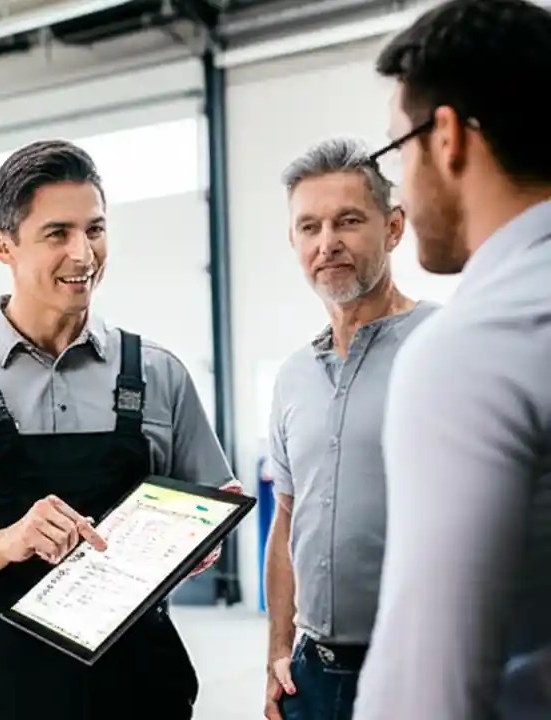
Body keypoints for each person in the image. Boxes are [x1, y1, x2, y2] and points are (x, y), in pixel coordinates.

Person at [0, 139, 239, 720]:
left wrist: (204, 531)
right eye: (57, 234)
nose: (84, 253)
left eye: (95, 229)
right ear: (1, 244)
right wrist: (10, 541)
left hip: (141, 695)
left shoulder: (159, 376)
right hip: (1, 698)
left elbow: (211, 516)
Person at [351, 0, 551, 718]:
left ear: (447, 138)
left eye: (395, 151)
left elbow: (426, 691)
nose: (401, 183)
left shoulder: (475, 348)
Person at [261, 138, 438, 720]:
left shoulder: (444, 347)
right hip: (311, 677)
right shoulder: (292, 377)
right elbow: (286, 520)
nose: (326, 242)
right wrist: (278, 652)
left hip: (418, 671)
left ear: (393, 229)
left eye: (348, 221)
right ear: (293, 242)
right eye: (308, 227)